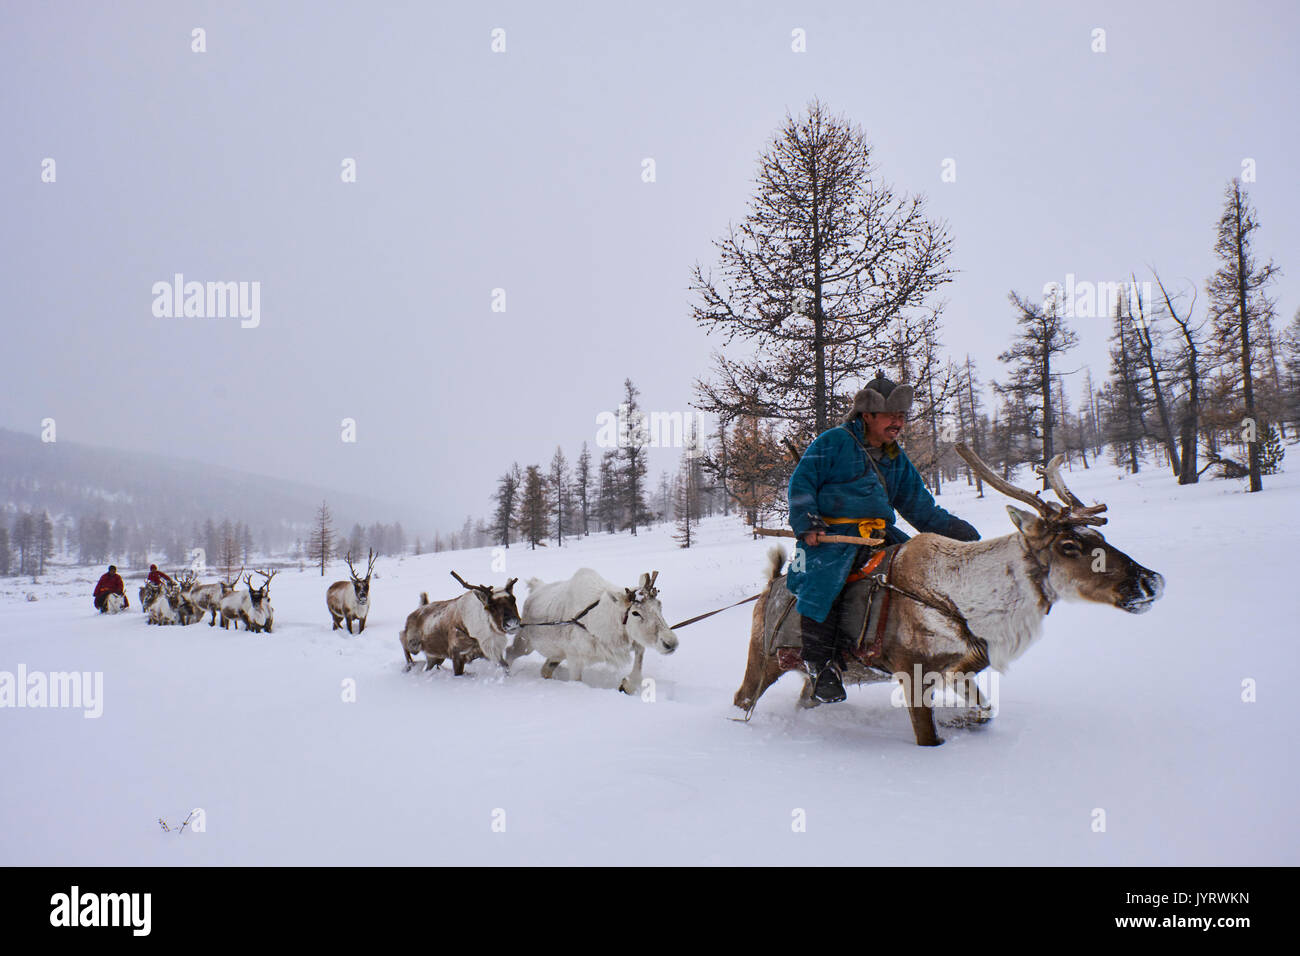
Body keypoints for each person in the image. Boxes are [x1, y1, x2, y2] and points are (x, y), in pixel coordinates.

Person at [786, 371, 981, 704]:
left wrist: (960, 533)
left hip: (880, 535)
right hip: (829, 536)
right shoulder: (833, 441)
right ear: (868, 415)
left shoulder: (895, 458)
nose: (898, 423)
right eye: (891, 416)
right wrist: (808, 523)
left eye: (902, 416)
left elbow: (921, 508)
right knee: (822, 583)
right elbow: (801, 484)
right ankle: (821, 668)